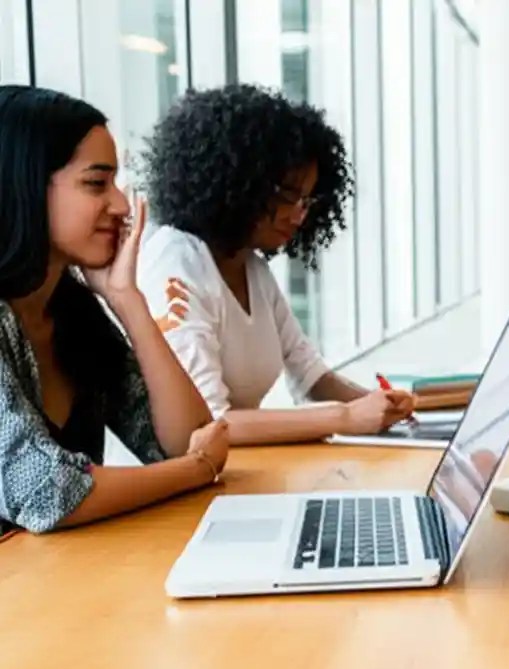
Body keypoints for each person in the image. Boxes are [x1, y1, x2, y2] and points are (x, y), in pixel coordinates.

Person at [0, 85, 228, 533]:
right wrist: (198, 469)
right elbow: (48, 495)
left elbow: (186, 440)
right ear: (22, 186)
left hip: (57, 582)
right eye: (96, 183)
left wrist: (128, 300)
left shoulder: (74, 313)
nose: (122, 205)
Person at [138, 84, 414, 446]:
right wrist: (345, 417)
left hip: (233, 475)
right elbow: (209, 423)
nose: (299, 214)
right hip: (180, 493)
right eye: (287, 195)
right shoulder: (175, 263)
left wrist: (379, 405)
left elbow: (311, 377)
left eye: (307, 199)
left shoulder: (250, 265)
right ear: (236, 180)